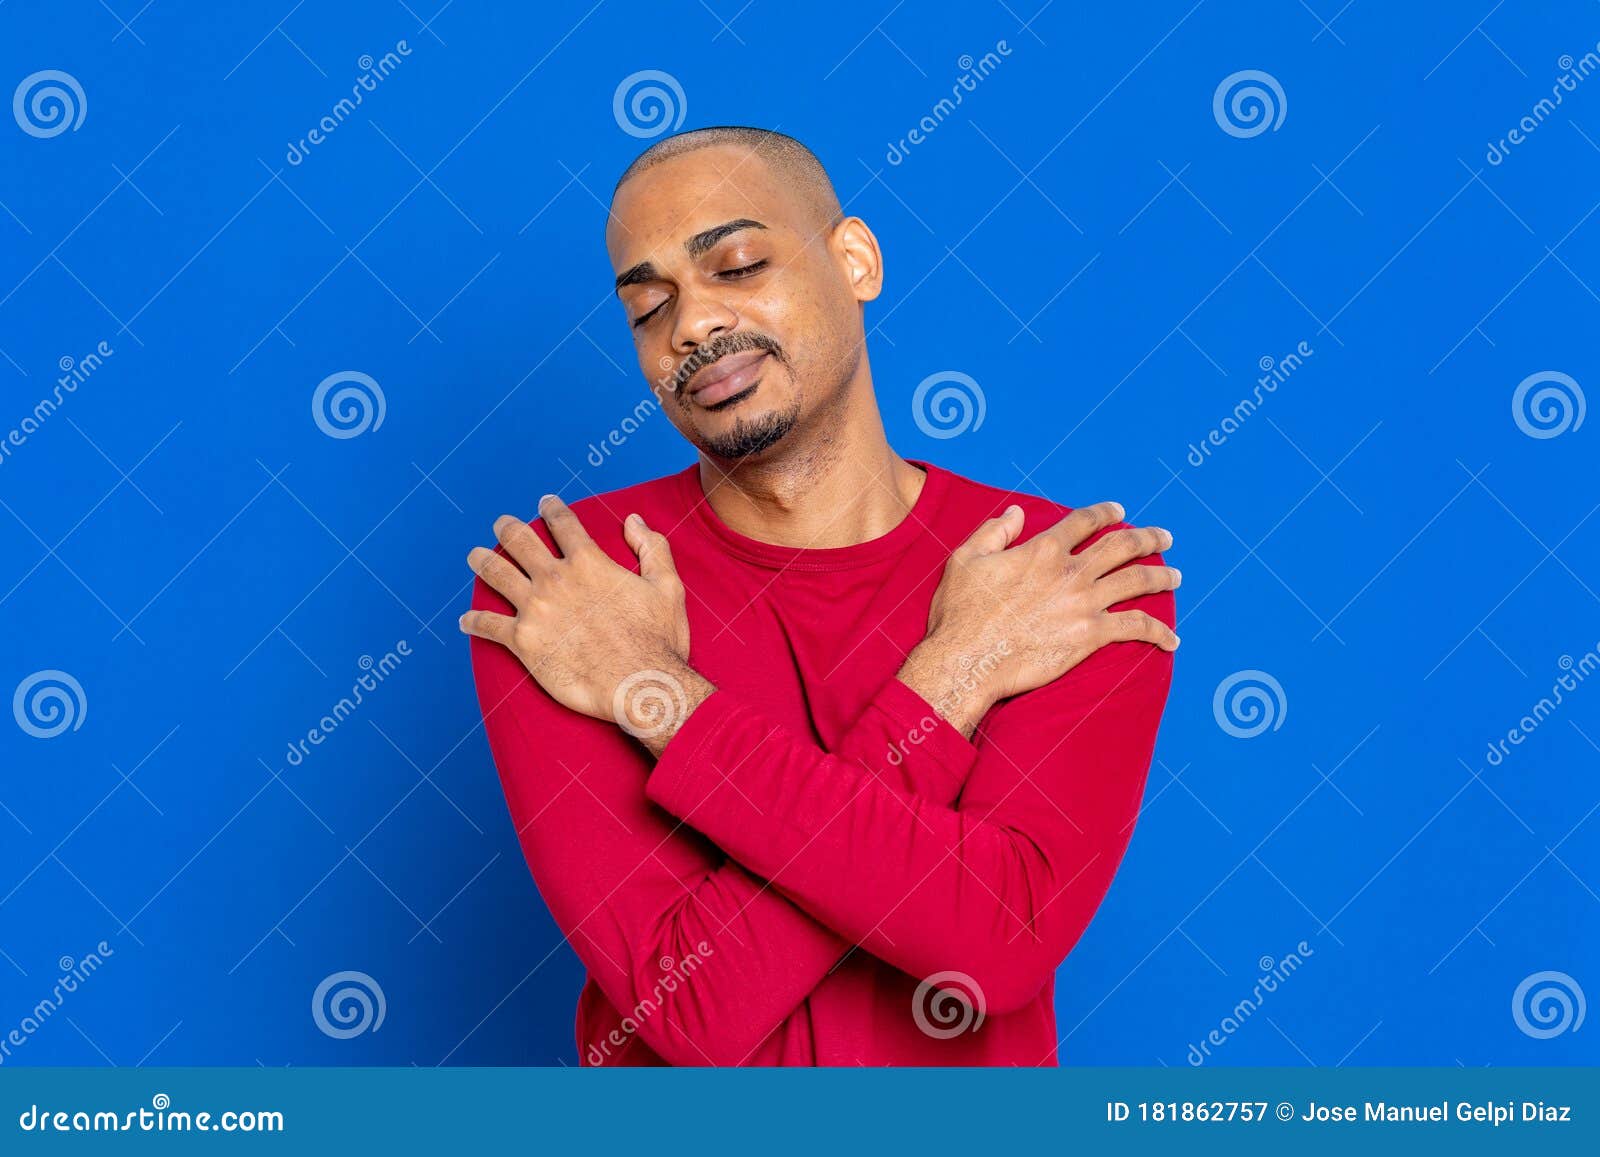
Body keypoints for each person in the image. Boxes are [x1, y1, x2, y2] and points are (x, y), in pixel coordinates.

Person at [460, 126, 1181, 1066]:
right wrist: (952, 682)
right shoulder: (568, 589)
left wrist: (652, 692)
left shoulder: (1057, 574)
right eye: (648, 307)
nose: (691, 324)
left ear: (856, 260)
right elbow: (696, 1008)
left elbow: (994, 947)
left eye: (739, 263)